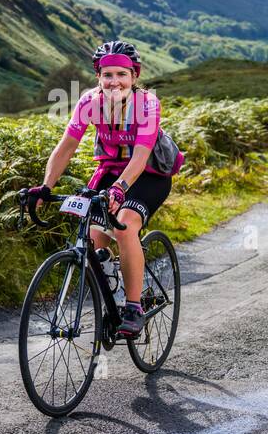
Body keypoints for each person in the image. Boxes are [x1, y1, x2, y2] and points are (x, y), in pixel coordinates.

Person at [24, 40, 184, 339]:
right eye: (107, 74)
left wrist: (121, 189)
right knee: (94, 235)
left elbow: (140, 155)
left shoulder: (147, 103)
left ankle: (134, 308)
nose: (114, 82)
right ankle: (115, 282)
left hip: (148, 173)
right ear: (98, 76)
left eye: (122, 74)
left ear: (134, 76)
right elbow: (66, 146)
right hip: (110, 171)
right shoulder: (89, 102)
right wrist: (45, 186)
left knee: (124, 226)